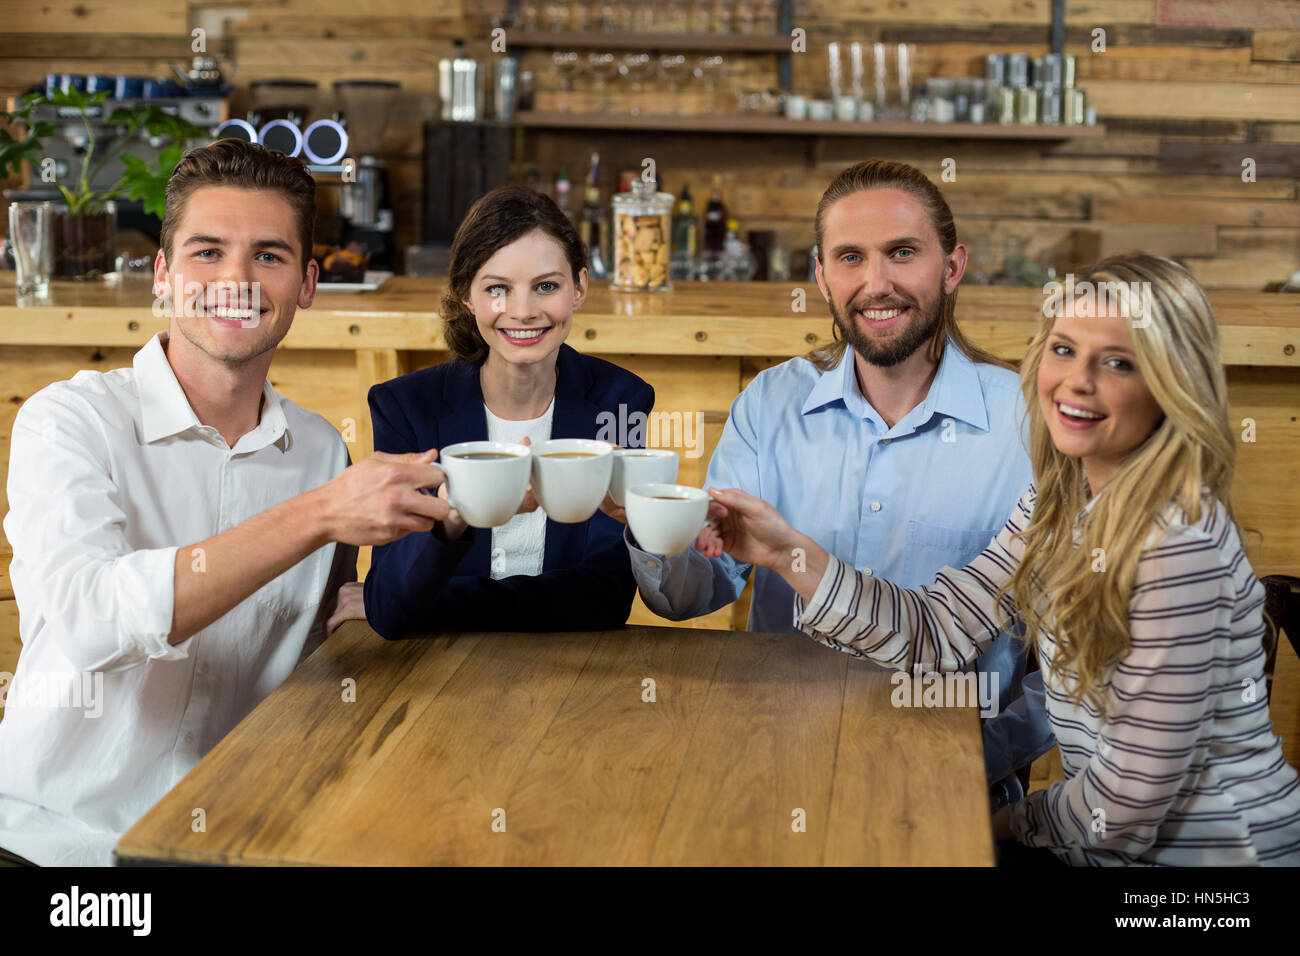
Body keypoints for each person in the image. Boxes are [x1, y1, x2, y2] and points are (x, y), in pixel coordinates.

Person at [700, 254, 1300, 865]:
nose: (1077, 381)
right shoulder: (1059, 500)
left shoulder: (1181, 549)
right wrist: (789, 554)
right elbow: (937, 630)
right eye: (1064, 349)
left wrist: (999, 820)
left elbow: (1126, 807)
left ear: (1174, 385)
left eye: (1118, 362)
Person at [0, 138, 455, 866]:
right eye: (207, 252)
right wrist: (318, 514)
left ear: (307, 284)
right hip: (54, 846)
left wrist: (399, 599)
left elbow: (325, 656)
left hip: (238, 844)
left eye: (268, 256)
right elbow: (91, 622)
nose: (237, 280)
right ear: (162, 275)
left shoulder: (320, 454)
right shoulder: (69, 421)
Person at [604, 160, 1053, 797]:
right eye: (850, 257)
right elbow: (687, 598)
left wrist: (976, 753)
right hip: (776, 757)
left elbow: (1069, 670)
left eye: (902, 252)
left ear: (951, 267)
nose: (877, 282)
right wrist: (654, 528)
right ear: (820, 276)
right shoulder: (768, 403)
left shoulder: (1030, 423)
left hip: (952, 786)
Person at [327, 185, 654, 638]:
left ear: (578, 289)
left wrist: (440, 604)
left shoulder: (621, 400)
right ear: (467, 295)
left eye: (546, 286)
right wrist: (458, 516)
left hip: (576, 673)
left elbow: (602, 599)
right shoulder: (406, 407)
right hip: (432, 679)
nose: (522, 311)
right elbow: (396, 608)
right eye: (497, 288)